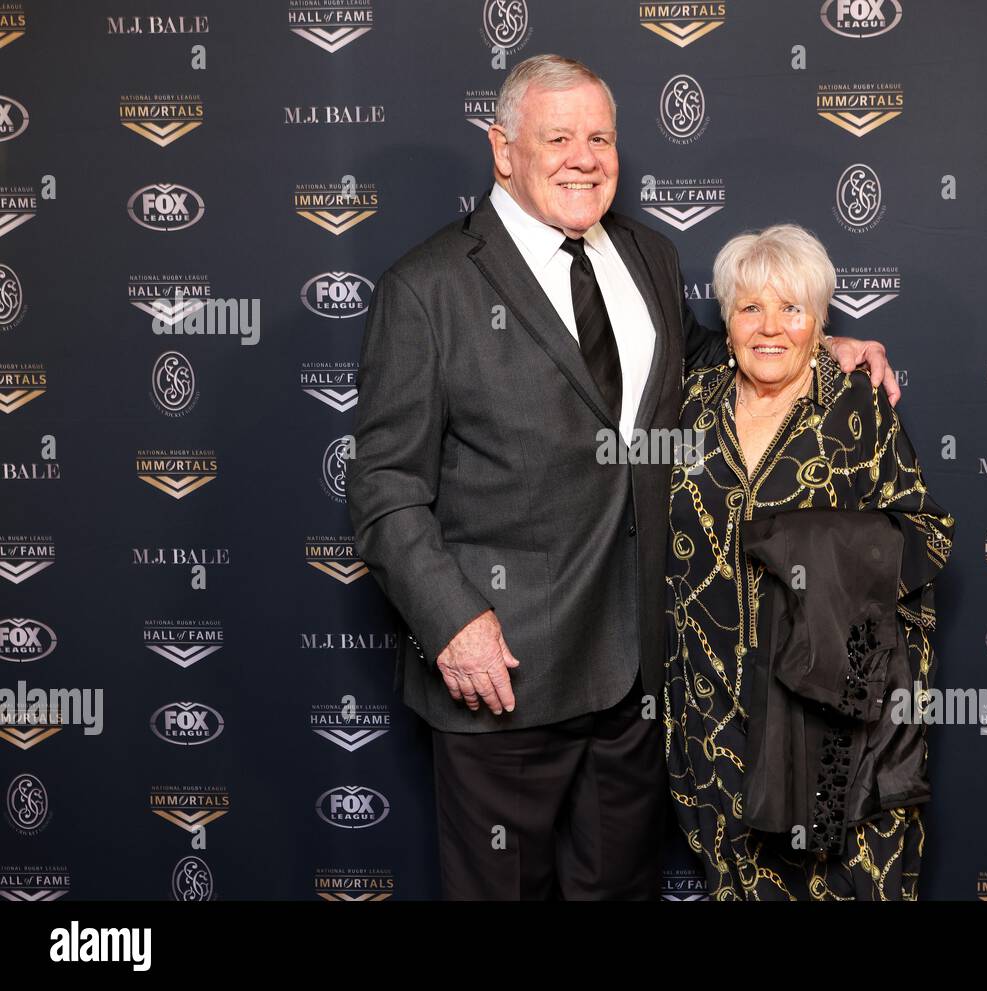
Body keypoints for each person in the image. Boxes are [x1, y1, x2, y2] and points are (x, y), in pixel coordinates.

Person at [346, 54, 897, 900]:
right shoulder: (427, 289)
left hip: (640, 673)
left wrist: (813, 346)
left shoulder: (646, 253)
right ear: (502, 149)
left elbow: (713, 371)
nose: (584, 156)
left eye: (599, 136)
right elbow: (384, 488)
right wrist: (453, 622)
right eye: (557, 136)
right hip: (503, 675)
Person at [664, 224, 954, 900]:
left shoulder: (857, 406)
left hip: (832, 725)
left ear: (820, 321)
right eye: (750, 307)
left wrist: (820, 557)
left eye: (791, 309)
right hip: (714, 720)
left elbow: (927, 531)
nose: (770, 327)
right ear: (726, 320)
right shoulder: (688, 409)